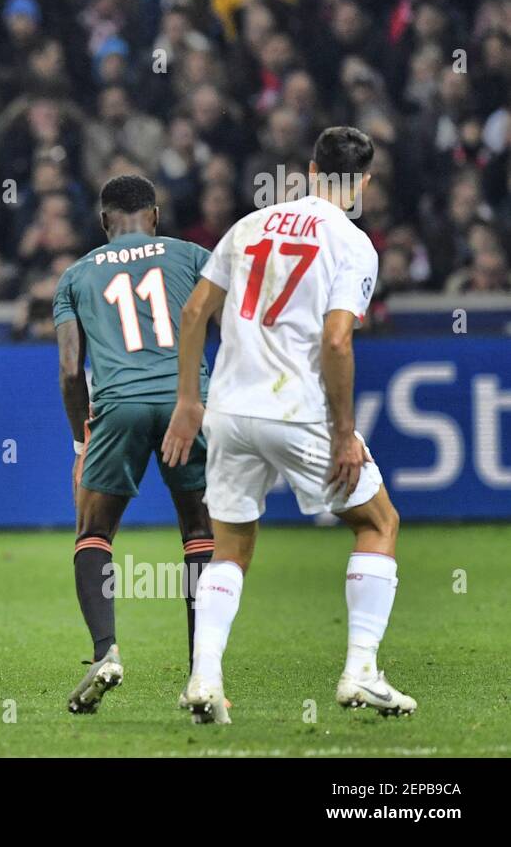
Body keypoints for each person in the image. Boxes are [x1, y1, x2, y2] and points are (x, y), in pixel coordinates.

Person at [162, 127, 415, 723]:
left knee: (229, 548)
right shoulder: (352, 244)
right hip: (297, 410)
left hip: (227, 409)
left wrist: (188, 400)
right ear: (364, 183)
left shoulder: (249, 226)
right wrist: (344, 431)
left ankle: (204, 678)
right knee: (378, 523)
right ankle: (360, 671)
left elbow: (196, 310)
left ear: (308, 168)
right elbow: (335, 339)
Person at [53, 174, 214, 714]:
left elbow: (71, 371)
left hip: (119, 406)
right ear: (156, 215)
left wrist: (82, 442)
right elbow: (238, 322)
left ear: (104, 222)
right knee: (199, 531)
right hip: (189, 404)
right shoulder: (190, 255)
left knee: (93, 532)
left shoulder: (75, 277)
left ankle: (106, 653)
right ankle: (202, 676)